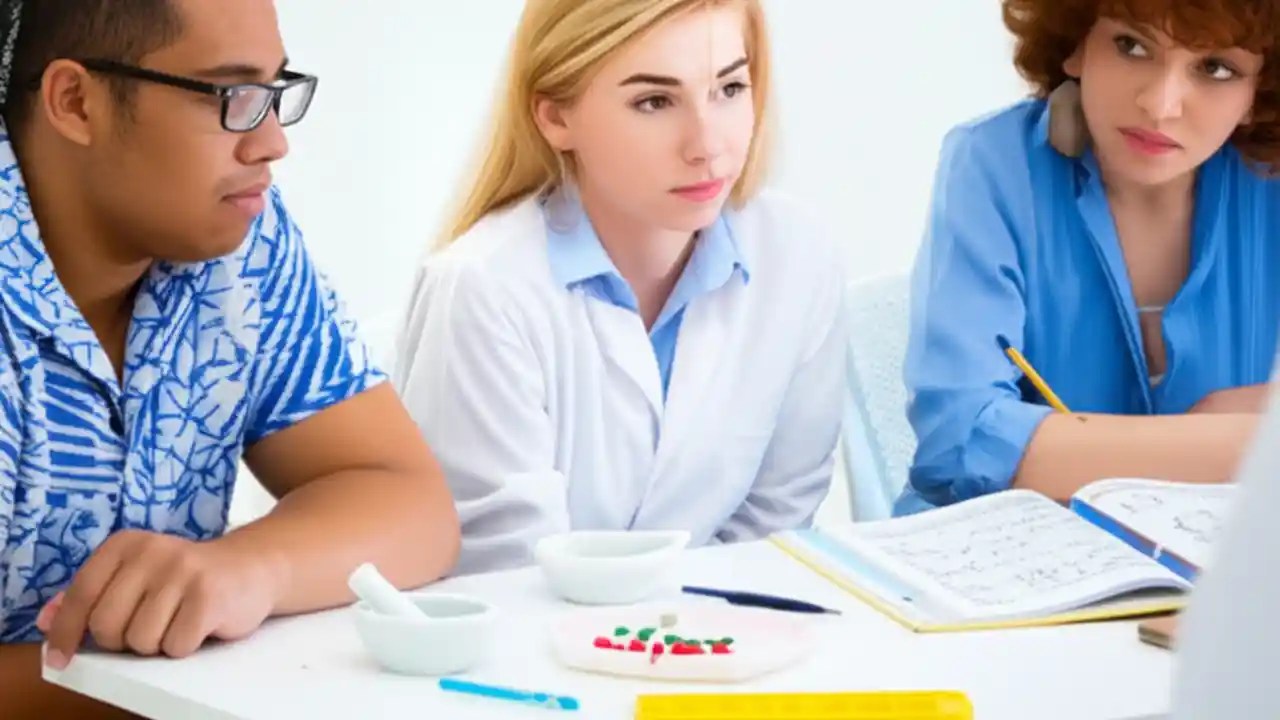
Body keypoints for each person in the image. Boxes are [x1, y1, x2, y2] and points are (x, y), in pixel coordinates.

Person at [0, 0, 460, 716]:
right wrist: (157, 686)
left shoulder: (242, 241)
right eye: (231, 97)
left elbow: (408, 500)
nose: (273, 143)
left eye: (274, 93)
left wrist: (247, 571)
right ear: (74, 102)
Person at [393, 0, 847, 575]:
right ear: (556, 118)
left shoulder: (798, 254)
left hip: (720, 643)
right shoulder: (481, 289)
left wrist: (689, 647)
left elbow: (776, 527)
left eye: (729, 89)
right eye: (654, 101)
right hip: (527, 652)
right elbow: (509, 579)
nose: (706, 144)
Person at [896, 0, 1280, 515]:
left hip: (1212, 573)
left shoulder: (1268, 186)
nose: (1161, 104)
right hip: (1004, 565)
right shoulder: (992, 163)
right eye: (1132, 46)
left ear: (1260, 90)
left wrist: (1051, 448)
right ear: (1076, 44)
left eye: (1216, 68)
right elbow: (959, 447)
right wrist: (1244, 443)